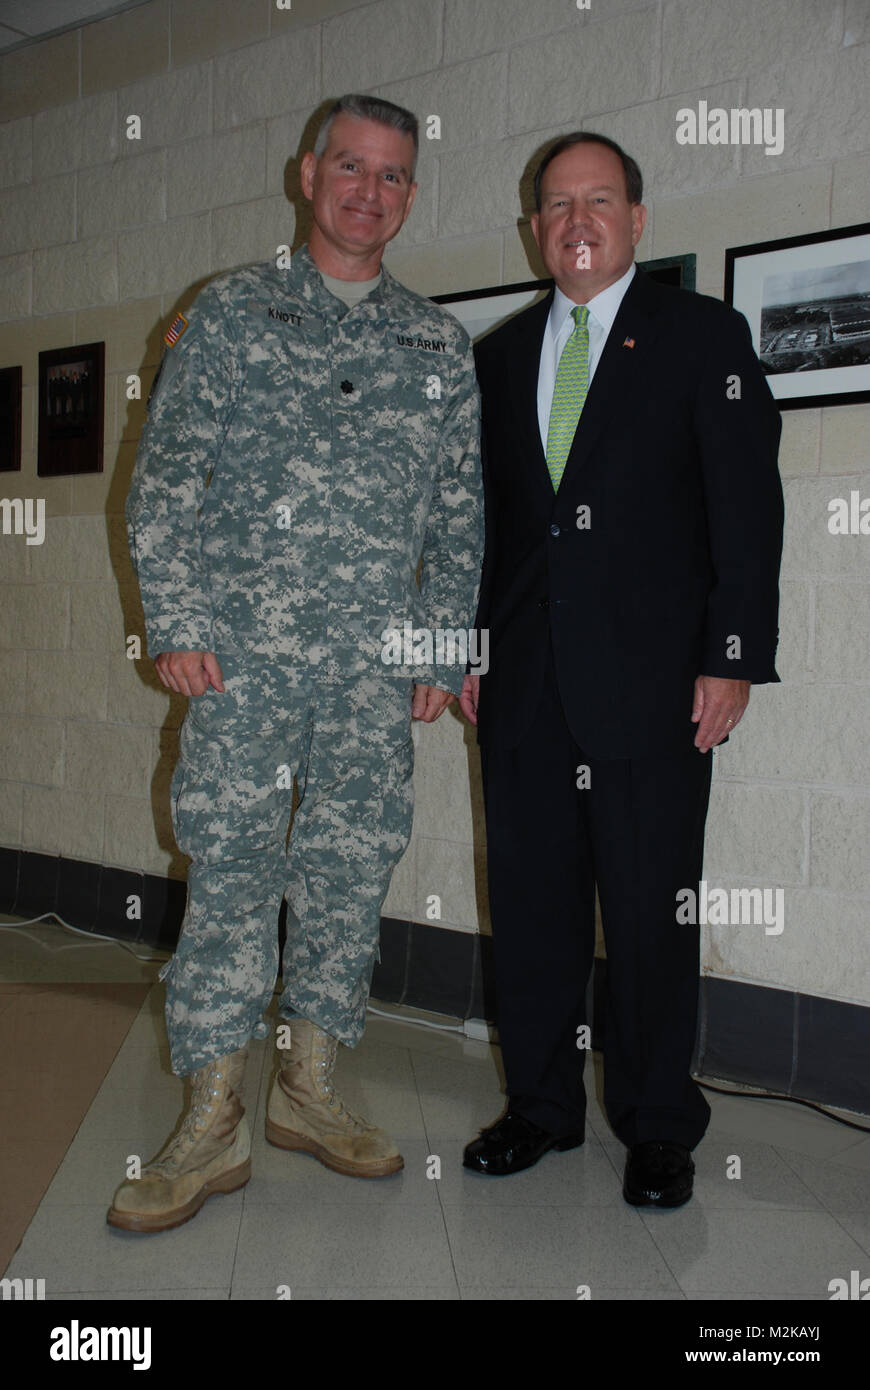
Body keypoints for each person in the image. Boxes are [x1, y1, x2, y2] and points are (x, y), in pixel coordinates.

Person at [109, 94, 483, 1233]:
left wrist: (437, 642)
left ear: (410, 194)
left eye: (394, 174)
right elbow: (165, 479)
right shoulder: (230, 314)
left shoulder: (438, 346)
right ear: (307, 175)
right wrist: (174, 618)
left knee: (347, 866)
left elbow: (458, 517)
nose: (371, 190)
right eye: (351, 167)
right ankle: (213, 1113)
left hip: (374, 671)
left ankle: (309, 1089)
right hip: (242, 666)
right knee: (228, 866)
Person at [459, 132, 783, 1207]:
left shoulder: (702, 336)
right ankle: (539, 1106)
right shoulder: (499, 358)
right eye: (556, 204)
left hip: (653, 691)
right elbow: (487, 531)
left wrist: (731, 656)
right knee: (535, 910)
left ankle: (656, 1125)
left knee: (649, 914)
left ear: (638, 221)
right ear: (534, 228)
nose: (577, 219)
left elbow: (746, 510)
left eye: (599, 199)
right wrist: (469, 647)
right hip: (524, 693)